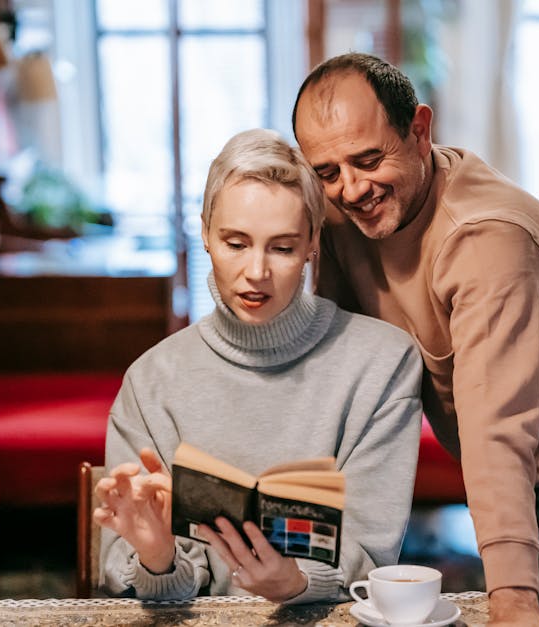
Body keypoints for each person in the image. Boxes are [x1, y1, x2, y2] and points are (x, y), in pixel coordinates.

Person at [292, 52, 539, 627]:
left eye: (369, 160)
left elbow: (497, 426)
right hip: (510, 467)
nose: (350, 189)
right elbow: (337, 352)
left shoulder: (487, 240)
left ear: (420, 131)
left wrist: (514, 598)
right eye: (326, 172)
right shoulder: (342, 212)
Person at [93, 128, 424, 604]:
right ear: (205, 234)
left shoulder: (384, 363)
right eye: (236, 243)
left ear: (312, 242)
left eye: (282, 248)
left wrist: (298, 582)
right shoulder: (151, 381)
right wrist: (159, 559)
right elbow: (136, 580)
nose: (256, 272)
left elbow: (370, 552)